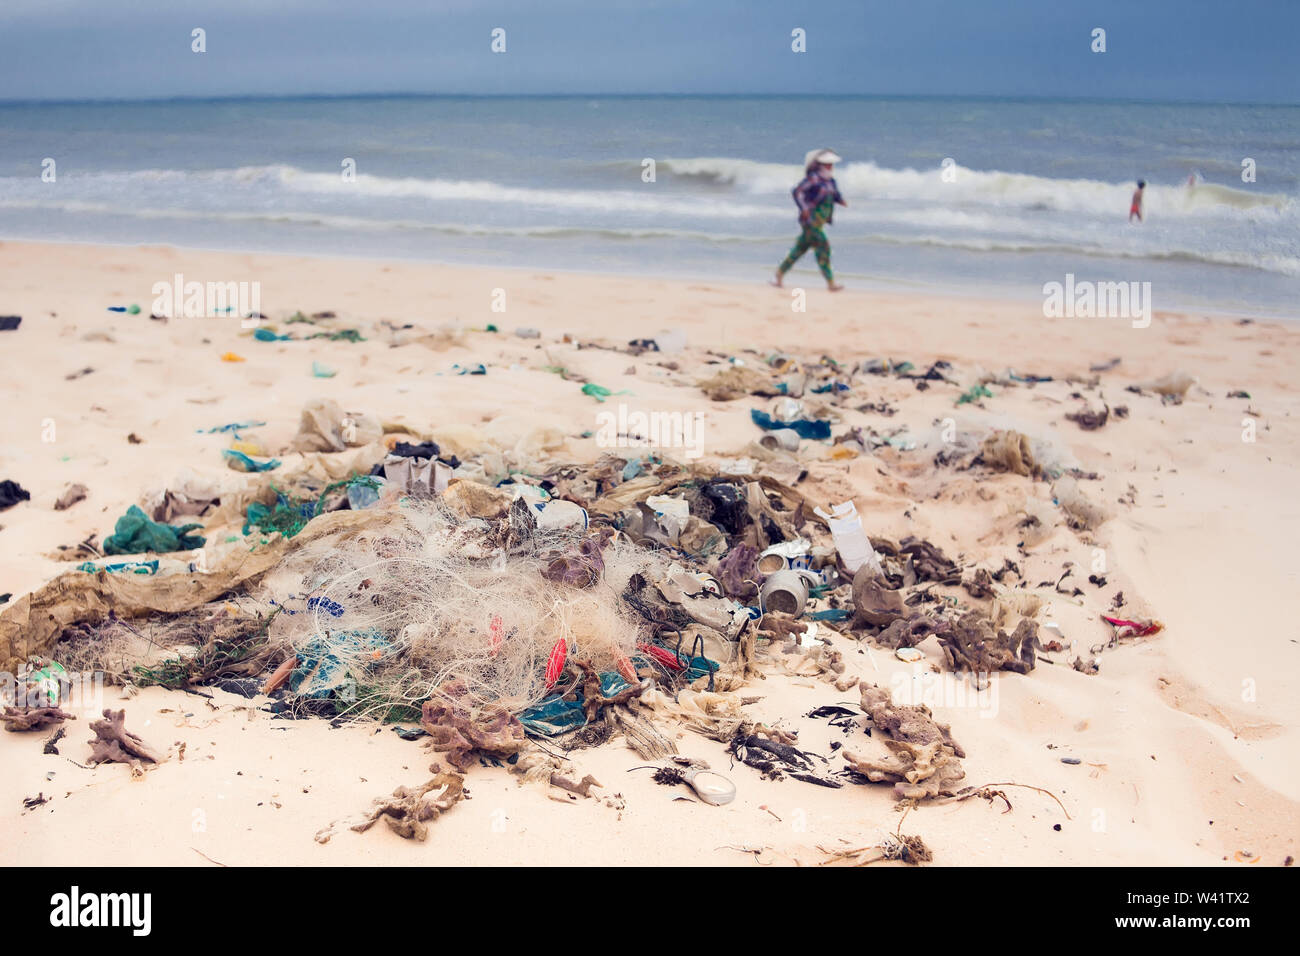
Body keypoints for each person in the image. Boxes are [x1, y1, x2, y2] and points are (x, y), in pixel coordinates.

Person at [772, 148, 847, 291]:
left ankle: (779, 273)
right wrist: (804, 208)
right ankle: (831, 283)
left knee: (799, 250)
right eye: (827, 165)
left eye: (831, 165)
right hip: (810, 221)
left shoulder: (831, 181)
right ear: (819, 165)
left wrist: (841, 200)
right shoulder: (813, 178)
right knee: (823, 248)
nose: (830, 167)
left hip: (821, 221)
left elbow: (835, 194)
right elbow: (797, 192)